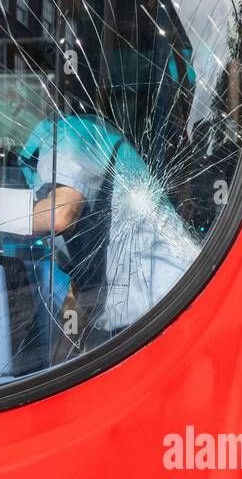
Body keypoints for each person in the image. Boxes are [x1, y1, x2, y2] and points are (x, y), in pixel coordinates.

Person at [20, 113, 200, 348]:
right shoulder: (46, 147)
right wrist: (61, 358)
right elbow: (79, 285)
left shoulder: (70, 133)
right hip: (149, 311)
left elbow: (61, 215)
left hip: (168, 305)